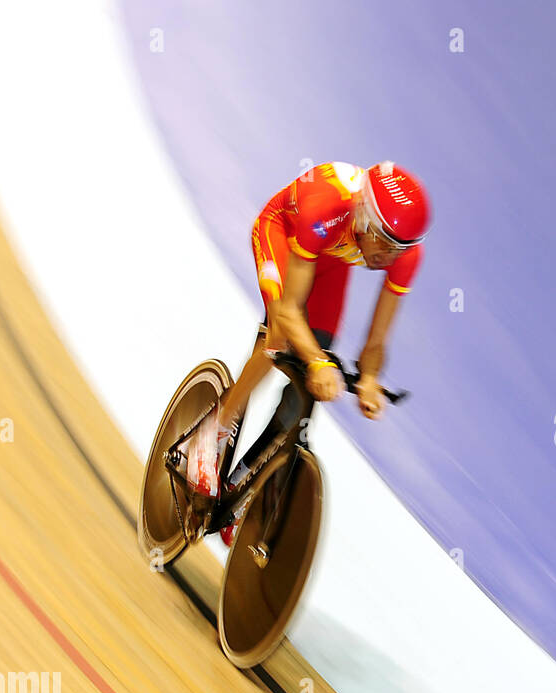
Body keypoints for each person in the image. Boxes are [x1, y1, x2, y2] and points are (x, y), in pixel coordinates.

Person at [182, 161, 429, 543]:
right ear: (363, 216)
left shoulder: (404, 255)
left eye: (400, 248)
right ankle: (212, 433)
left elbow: (376, 343)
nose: (388, 256)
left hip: (331, 258)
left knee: (312, 377)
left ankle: (241, 482)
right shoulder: (326, 208)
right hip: (286, 232)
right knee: (281, 335)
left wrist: (368, 380)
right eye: (383, 240)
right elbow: (291, 309)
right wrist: (315, 361)